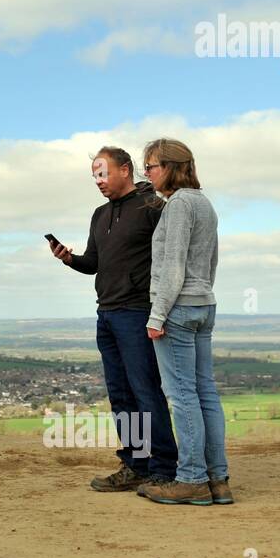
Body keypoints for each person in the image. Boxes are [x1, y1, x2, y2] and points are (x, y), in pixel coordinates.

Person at [51, 146, 179, 492]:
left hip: (138, 312)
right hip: (106, 314)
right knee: (121, 395)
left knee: (145, 392)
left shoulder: (154, 207)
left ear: (125, 170)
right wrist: (69, 259)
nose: (98, 181)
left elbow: (172, 258)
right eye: (94, 175)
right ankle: (136, 465)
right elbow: (93, 262)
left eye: (103, 173)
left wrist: (163, 309)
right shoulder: (99, 215)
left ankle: (165, 469)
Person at [136, 138, 230, 506]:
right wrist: (200, 294)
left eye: (152, 166)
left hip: (176, 309)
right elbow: (211, 263)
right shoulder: (206, 205)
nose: (148, 173)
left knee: (181, 395)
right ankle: (217, 480)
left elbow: (172, 266)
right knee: (206, 391)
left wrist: (157, 315)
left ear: (173, 167)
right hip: (204, 304)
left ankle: (190, 479)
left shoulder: (177, 206)